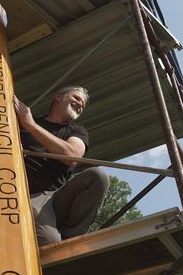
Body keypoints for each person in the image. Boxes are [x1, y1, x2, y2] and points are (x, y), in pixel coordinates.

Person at [13, 86, 110, 246]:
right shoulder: (23, 122)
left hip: (58, 195)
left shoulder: (77, 131)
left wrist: (31, 126)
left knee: (98, 176)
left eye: (83, 105)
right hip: (30, 195)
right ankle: (59, 243)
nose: (80, 104)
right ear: (58, 97)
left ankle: (71, 239)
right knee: (51, 244)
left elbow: (71, 156)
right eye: (77, 98)